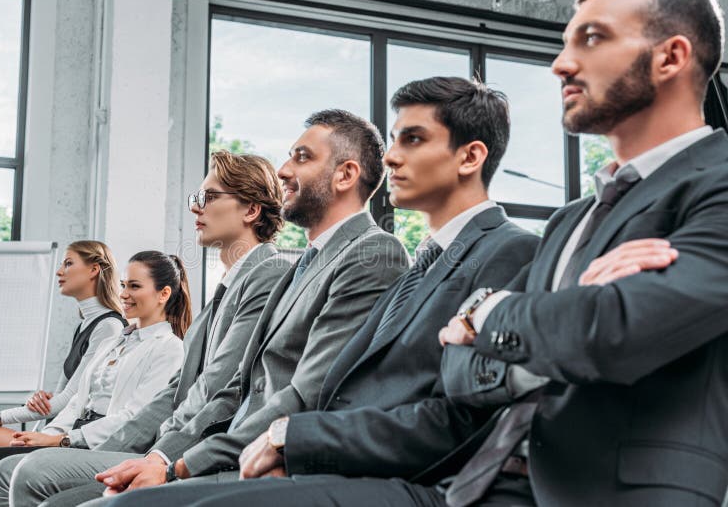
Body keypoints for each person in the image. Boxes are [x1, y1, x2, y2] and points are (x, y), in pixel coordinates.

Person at [90, 75, 543, 507]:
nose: (390, 158)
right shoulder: (413, 263)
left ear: (469, 158)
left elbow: (456, 412)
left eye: (414, 140)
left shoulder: (506, 251)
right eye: (396, 139)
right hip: (314, 455)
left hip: (392, 475)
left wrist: (287, 445)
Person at [0, 109, 410, 507]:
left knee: (46, 487)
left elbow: (305, 392)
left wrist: (175, 463)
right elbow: (232, 386)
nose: (284, 170)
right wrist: (155, 456)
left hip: (257, 457)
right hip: (223, 448)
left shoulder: (372, 251)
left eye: (301, 157)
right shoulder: (299, 266)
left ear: (346, 174)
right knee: (27, 481)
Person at [434, 0, 728, 506]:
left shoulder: (720, 183)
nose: (561, 64)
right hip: (481, 485)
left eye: (591, 39)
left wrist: (487, 314)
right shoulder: (570, 220)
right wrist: (561, 320)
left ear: (671, 57)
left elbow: (612, 331)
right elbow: (455, 371)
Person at [0, 150, 291, 506]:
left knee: (33, 475)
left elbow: (221, 387)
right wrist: (96, 447)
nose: (195, 207)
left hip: (202, 453)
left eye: (208, 197)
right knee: (9, 472)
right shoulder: (224, 290)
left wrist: (159, 457)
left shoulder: (267, 274)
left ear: (251, 210)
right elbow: (175, 393)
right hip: (160, 443)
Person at [0, 240, 127, 503]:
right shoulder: (85, 326)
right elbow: (57, 400)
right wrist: (39, 401)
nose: (59, 272)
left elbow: (66, 403)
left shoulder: (109, 327)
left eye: (68, 263)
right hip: (52, 432)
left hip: (69, 440)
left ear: (94, 269)